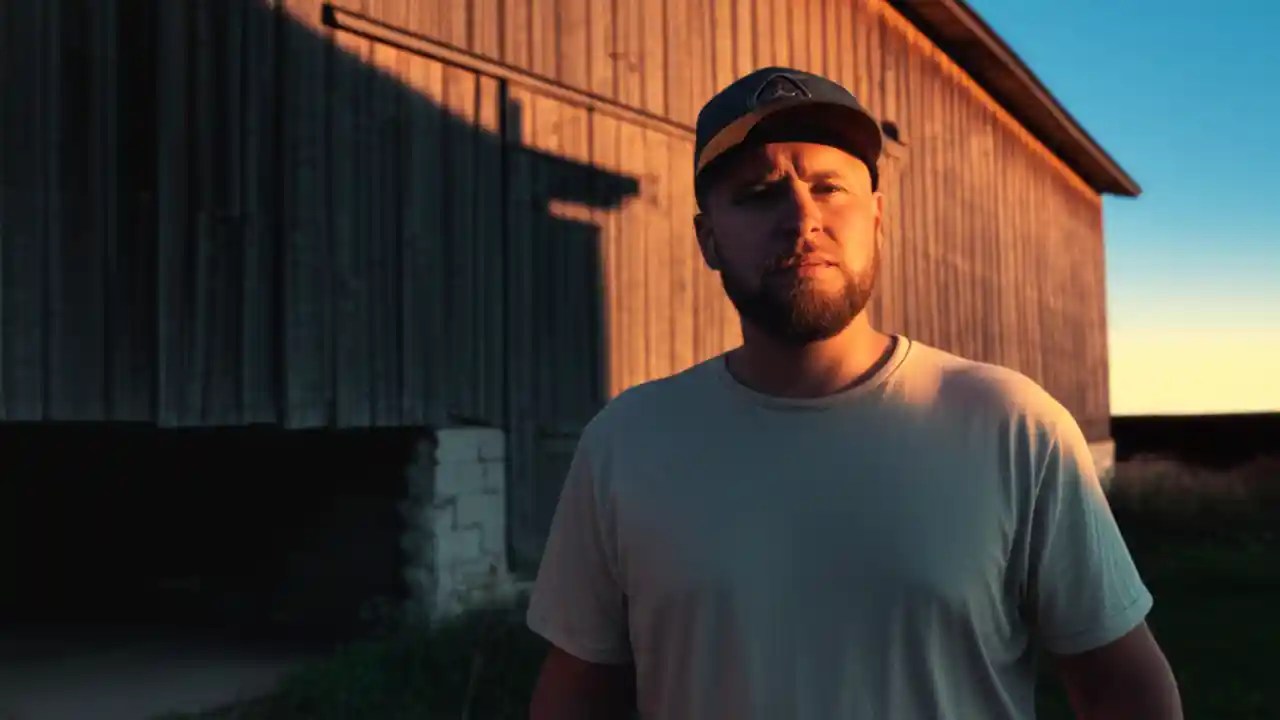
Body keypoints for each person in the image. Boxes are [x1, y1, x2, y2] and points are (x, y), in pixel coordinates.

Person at [525, 66, 1182, 719]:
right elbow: (577, 696)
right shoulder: (629, 442)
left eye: (829, 187)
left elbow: (1122, 688)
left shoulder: (1012, 426)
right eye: (758, 193)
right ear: (708, 240)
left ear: (877, 219)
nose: (801, 217)